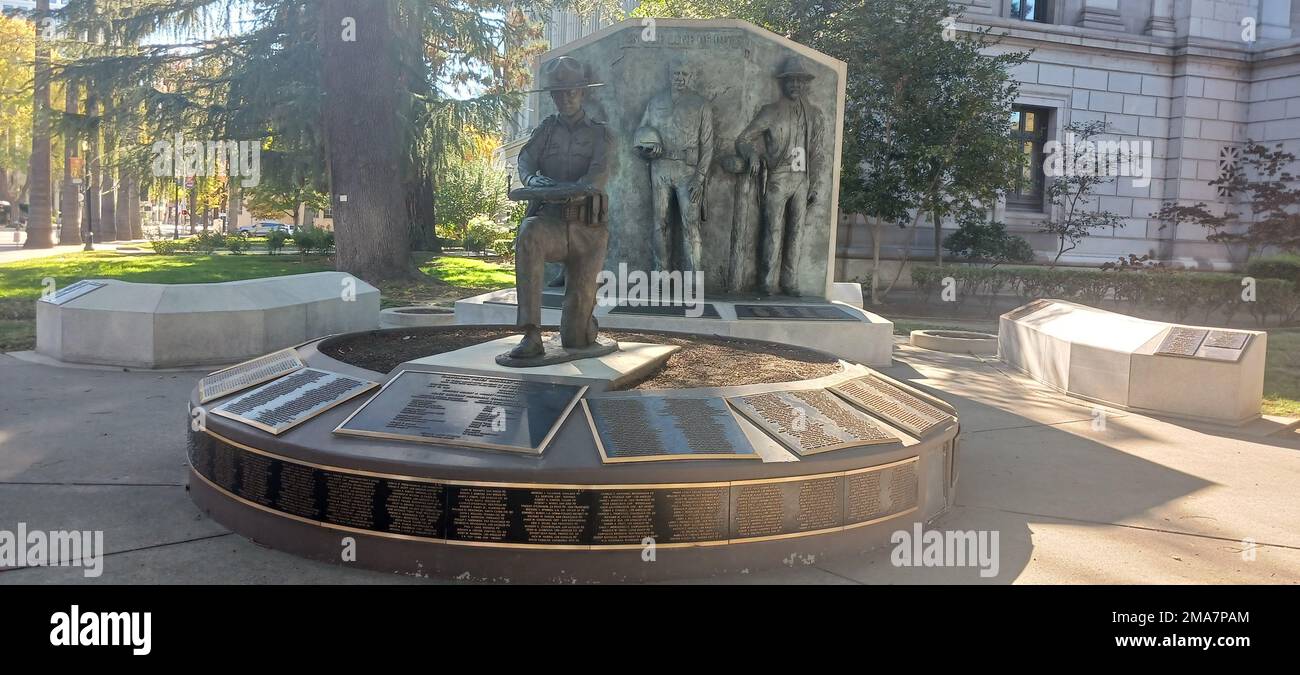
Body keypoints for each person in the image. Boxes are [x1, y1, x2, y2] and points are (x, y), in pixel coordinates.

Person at [508, 56, 613, 359]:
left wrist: (558, 190)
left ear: (582, 92)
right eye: (559, 92)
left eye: (572, 91)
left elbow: (596, 178)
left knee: (576, 339)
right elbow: (526, 160)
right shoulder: (546, 130)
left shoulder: (599, 134)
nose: (565, 98)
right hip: (550, 225)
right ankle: (530, 334)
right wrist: (532, 180)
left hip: (587, 232)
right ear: (552, 95)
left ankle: (584, 322)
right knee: (529, 231)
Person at [736, 55, 825, 296]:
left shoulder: (815, 115)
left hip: (802, 179)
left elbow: (817, 153)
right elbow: (744, 139)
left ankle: (790, 282)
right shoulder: (771, 111)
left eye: (800, 81)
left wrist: (815, 183)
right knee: (773, 231)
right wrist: (752, 156)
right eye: (791, 81)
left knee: (796, 232)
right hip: (778, 176)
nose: (796, 85)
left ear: (806, 85)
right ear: (783, 84)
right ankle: (766, 282)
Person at [635, 57, 714, 274]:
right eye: (676, 74)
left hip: (688, 171)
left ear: (690, 77)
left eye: (684, 74)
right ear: (670, 75)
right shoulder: (655, 102)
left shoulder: (701, 104)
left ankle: (694, 276)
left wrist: (700, 177)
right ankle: (661, 273)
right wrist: (648, 149)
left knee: (691, 225)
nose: (679, 78)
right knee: (660, 224)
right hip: (660, 169)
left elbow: (707, 146)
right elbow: (640, 135)